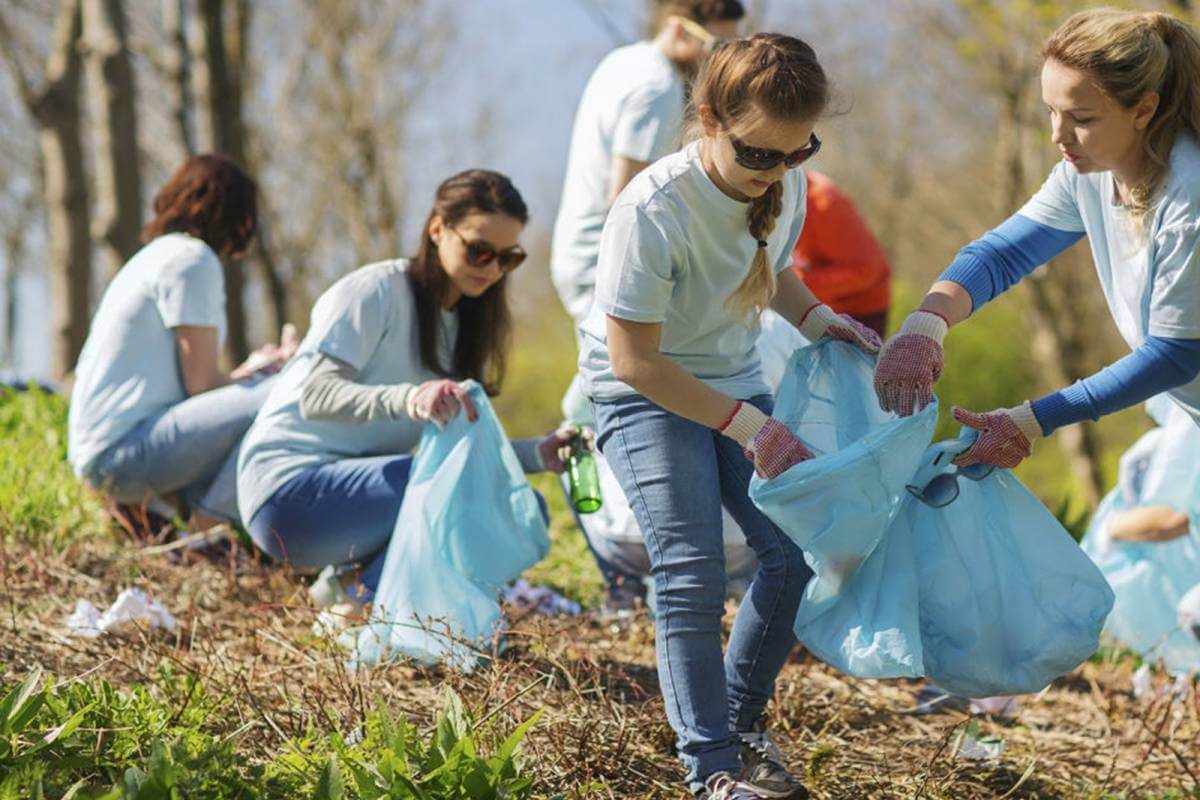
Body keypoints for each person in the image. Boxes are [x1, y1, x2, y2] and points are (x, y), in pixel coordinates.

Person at [579, 33, 881, 800]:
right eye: (757, 154)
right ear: (708, 118)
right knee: (690, 568)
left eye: (796, 150)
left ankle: (740, 727)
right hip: (642, 395)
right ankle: (709, 768)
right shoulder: (651, 208)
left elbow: (771, 272)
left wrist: (822, 322)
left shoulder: (788, 183)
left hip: (734, 380)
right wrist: (751, 427)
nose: (775, 172)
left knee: (794, 555)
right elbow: (634, 362)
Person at [236, 169, 572, 620]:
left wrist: (538, 454)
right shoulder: (375, 291)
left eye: (507, 259)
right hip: (287, 494)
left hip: (352, 498)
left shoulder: (460, 327)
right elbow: (313, 393)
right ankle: (358, 603)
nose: (491, 269)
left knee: (521, 504)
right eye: (479, 250)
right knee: (468, 498)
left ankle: (345, 591)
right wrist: (408, 398)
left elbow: (461, 455)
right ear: (437, 229)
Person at [874, 9, 1200, 471]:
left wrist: (1032, 419)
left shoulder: (1190, 194)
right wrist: (926, 323)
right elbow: (1001, 255)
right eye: (1050, 111)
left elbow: (1176, 353)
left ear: (1144, 110)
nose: (1057, 135)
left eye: (1081, 118)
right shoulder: (1085, 173)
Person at [68, 154, 295, 529]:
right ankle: (207, 532)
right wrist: (272, 376)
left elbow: (186, 386)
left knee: (269, 389)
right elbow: (201, 384)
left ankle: (155, 511)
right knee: (288, 391)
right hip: (122, 455)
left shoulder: (153, 257)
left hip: (105, 453)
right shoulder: (194, 260)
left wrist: (251, 372)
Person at [551, 0, 745, 326]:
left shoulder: (627, 59)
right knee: (626, 372)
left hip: (578, 254)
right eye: (717, 47)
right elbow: (630, 200)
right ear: (680, 28)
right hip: (606, 267)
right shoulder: (658, 89)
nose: (718, 62)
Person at [792, 170, 892, 337]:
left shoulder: (823, 200)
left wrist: (795, 286)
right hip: (811, 309)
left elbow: (864, 270)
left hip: (858, 314)